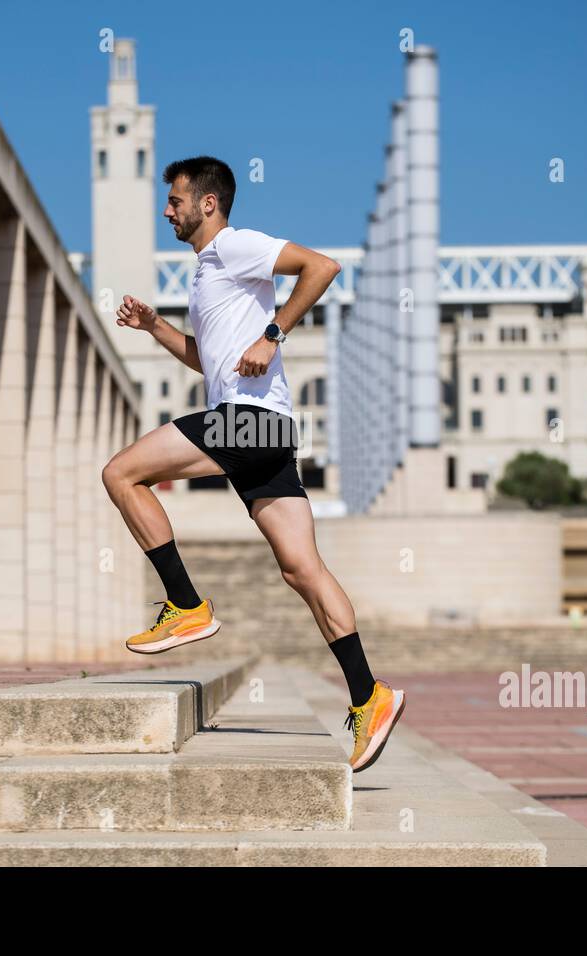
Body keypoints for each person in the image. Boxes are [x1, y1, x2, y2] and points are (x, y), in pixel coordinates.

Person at [101, 156, 405, 772]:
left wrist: (275, 332)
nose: (168, 210)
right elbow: (209, 362)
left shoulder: (234, 247)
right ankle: (368, 695)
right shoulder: (208, 273)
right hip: (265, 428)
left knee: (120, 473)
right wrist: (156, 326)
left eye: (176, 201)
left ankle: (185, 604)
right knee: (302, 570)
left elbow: (323, 267)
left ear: (207, 203)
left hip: (247, 422)